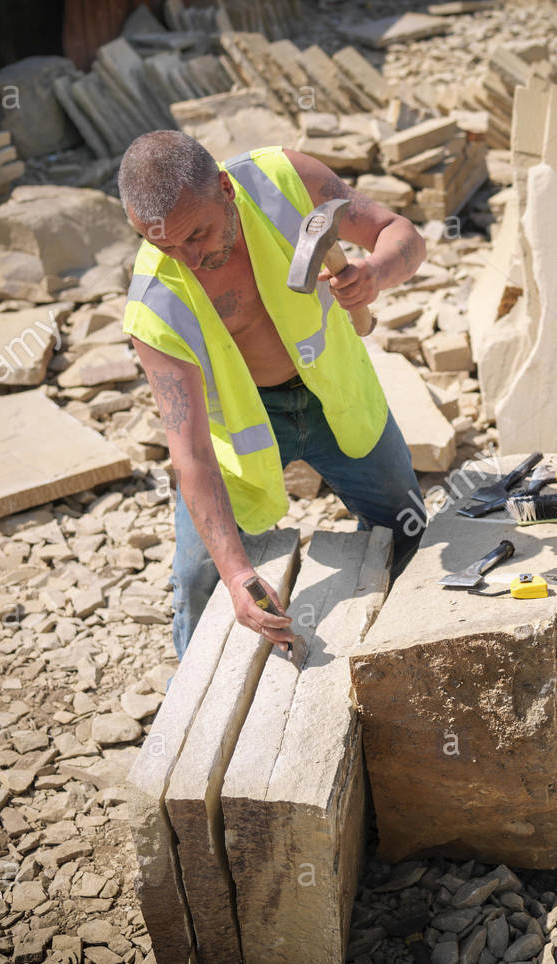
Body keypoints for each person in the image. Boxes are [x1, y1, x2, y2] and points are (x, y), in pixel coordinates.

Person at [117, 131, 426, 660]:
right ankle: (192, 698)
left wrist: (375, 273)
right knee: (197, 577)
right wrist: (238, 574)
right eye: (163, 244)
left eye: (198, 235)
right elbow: (189, 453)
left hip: (336, 398)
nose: (186, 259)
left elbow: (403, 235)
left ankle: (390, 653)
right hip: (244, 431)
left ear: (224, 188)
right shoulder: (155, 305)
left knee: (408, 527)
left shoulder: (286, 181)